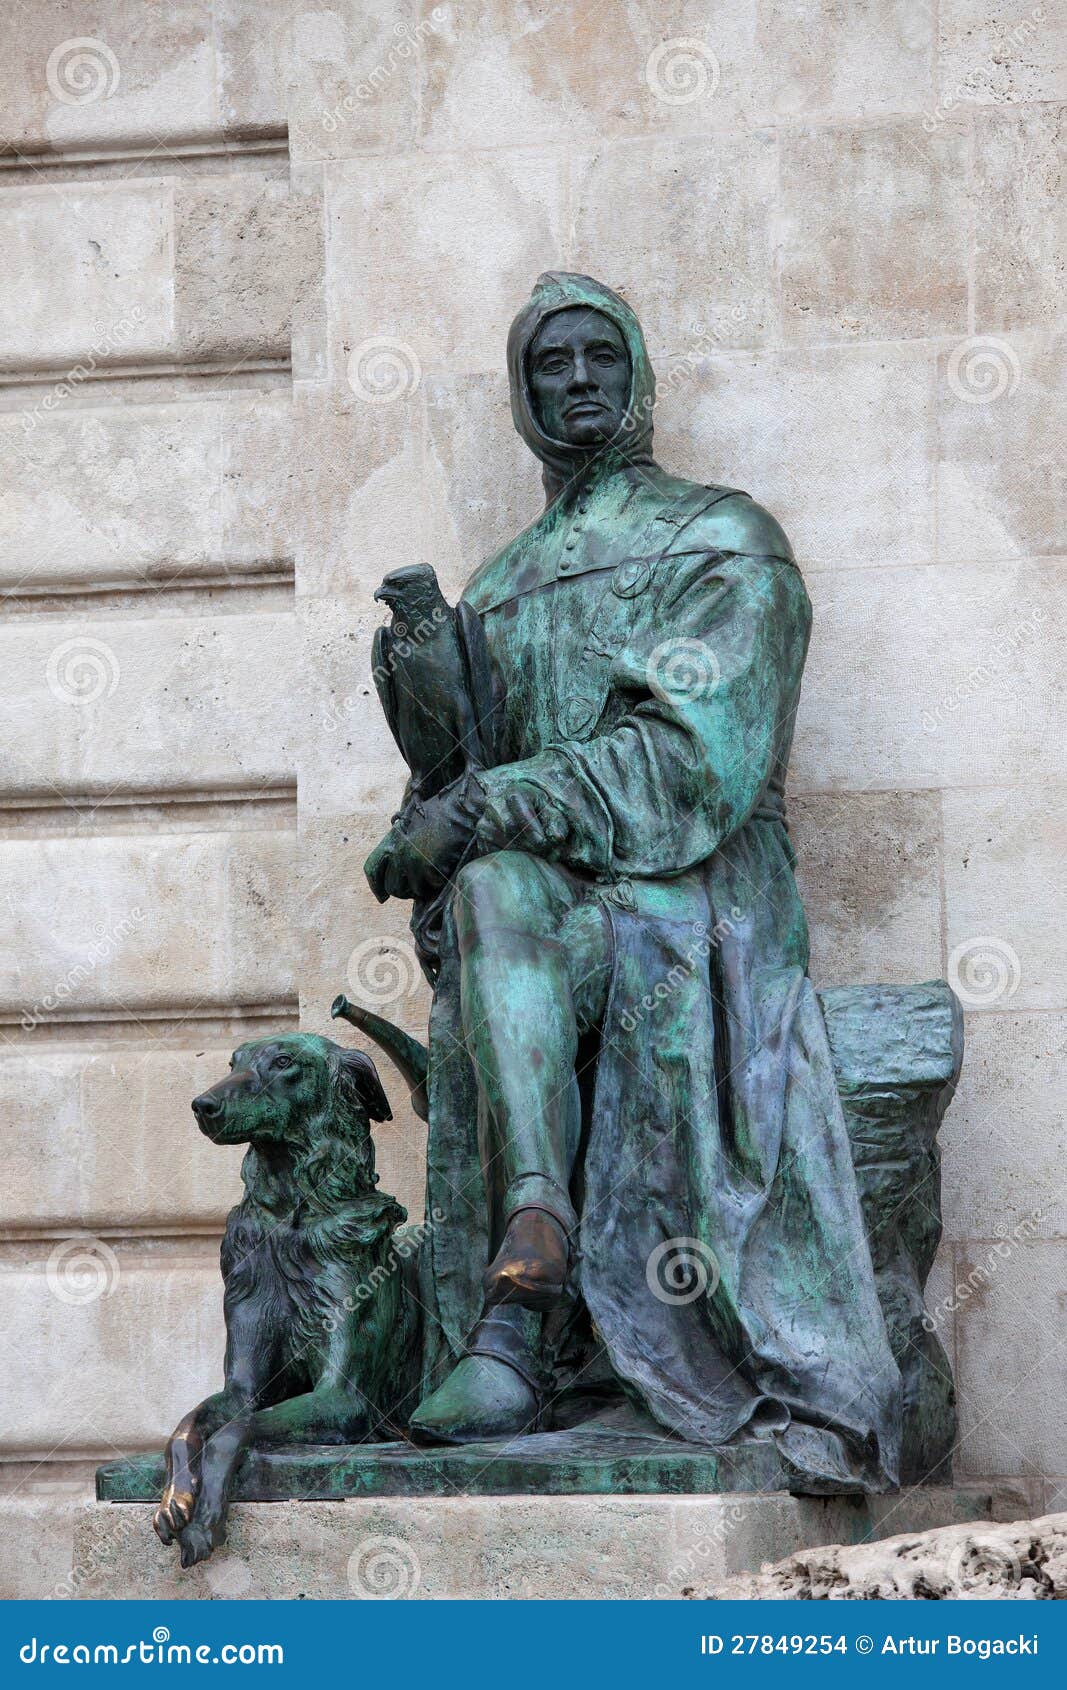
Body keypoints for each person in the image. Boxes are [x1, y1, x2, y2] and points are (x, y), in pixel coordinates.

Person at [365, 272, 901, 1491]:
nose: (576, 381)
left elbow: (687, 768)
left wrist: (474, 805)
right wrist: (431, 712)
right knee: (496, 889)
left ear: (638, 371)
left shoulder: (721, 537)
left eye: (597, 355)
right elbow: (463, 810)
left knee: (505, 875)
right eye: (547, 364)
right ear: (518, 396)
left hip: (697, 897)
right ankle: (531, 1253)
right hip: (540, 908)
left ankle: (527, 1322)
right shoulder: (496, 587)